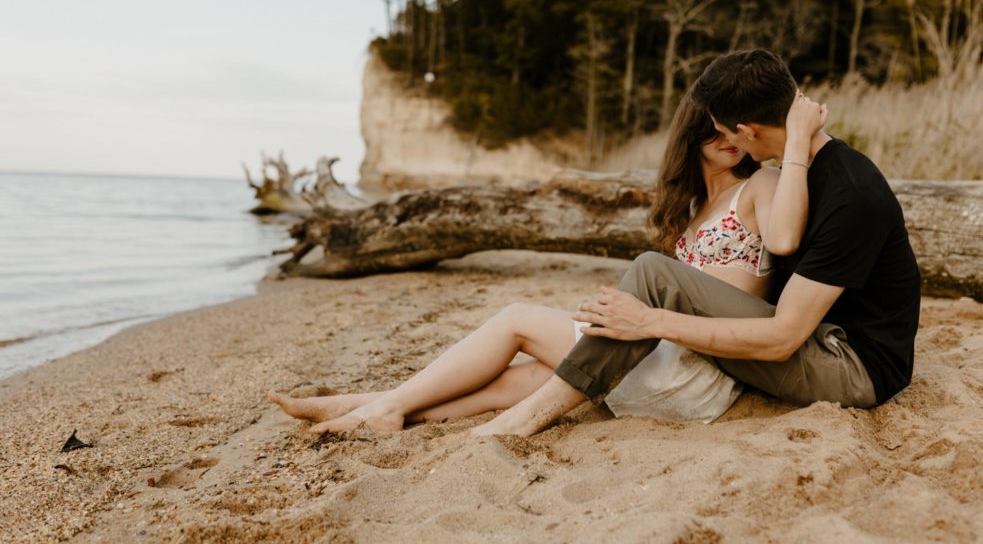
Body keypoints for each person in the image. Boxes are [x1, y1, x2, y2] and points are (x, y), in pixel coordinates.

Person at [268, 76, 827, 434]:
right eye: (712, 130)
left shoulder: (762, 185)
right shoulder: (693, 211)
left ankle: (384, 403)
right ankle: (392, 409)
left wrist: (796, 145)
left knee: (515, 319)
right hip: (665, 358)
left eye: (733, 130)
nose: (728, 138)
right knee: (537, 369)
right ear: (690, 134)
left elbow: (782, 241)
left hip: (695, 373)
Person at [440, 48, 922, 440]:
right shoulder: (807, 169)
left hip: (852, 367)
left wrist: (649, 321)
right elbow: (783, 239)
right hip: (817, 336)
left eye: (728, 132)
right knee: (646, 278)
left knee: (652, 274)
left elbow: (782, 339)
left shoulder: (851, 192)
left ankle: (526, 419)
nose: (734, 149)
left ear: (747, 131)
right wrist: (795, 144)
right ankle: (474, 408)